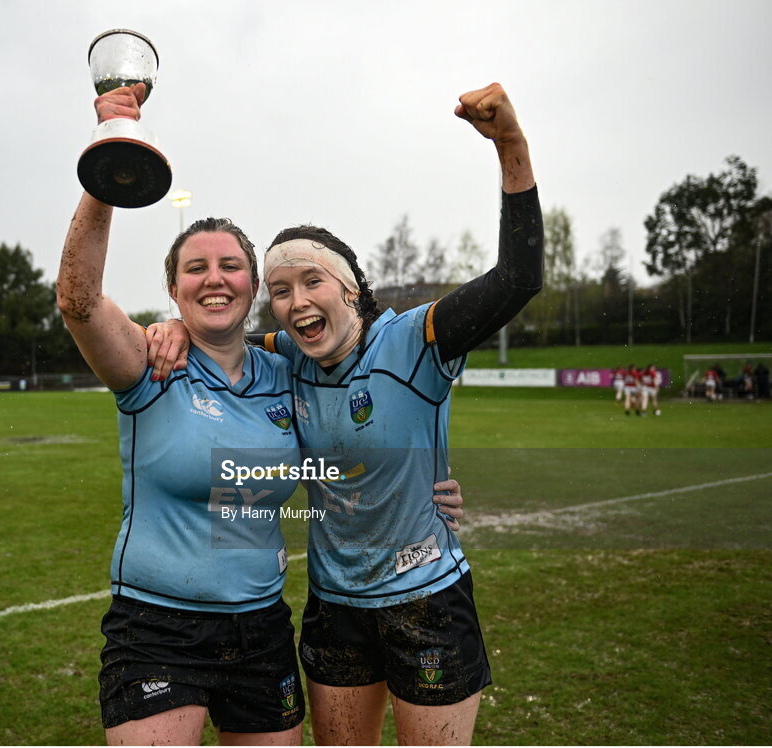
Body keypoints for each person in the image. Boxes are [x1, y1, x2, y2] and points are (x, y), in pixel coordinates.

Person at [59, 83, 466, 746]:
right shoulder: (149, 362)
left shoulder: (290, 369)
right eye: (195, 269)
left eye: (229, 266)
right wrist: (108, 164)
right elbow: (78, 301)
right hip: (158, 626)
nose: (213, 278)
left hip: (261, 630)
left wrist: (426, 489)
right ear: (173, 289)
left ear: (253, 287)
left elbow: (359, 423)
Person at [149, 82, 542, 745]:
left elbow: (517, 278)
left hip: (428, 602)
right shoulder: (285, 355)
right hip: (334, 609)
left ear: (350, 289)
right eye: (278, 291)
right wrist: (174, 326)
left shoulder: (416, 339)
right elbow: (220, 336)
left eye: (310, 282)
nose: (295, 301)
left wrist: (509, 144)